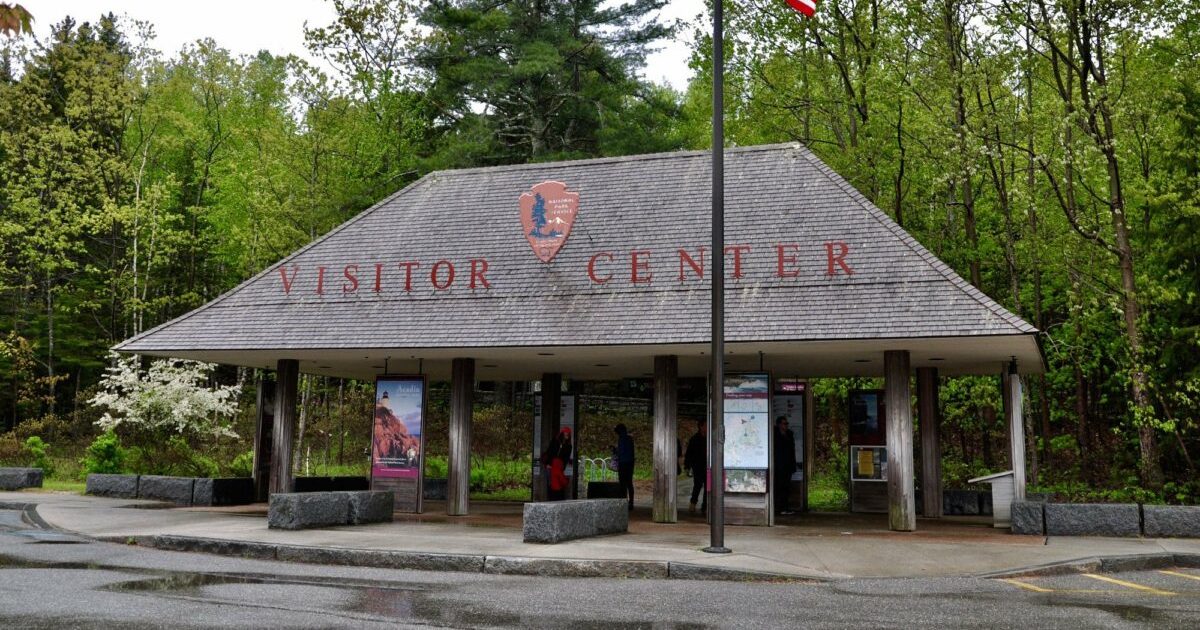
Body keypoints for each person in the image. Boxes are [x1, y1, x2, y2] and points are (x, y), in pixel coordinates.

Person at [774, 415, 797, 515]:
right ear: (779, 424)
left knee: (786, 487)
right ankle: (778, 508)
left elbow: (792, 451)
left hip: (787, 465)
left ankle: (785, 507)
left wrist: (793, 465)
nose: (786, 425)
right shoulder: (774, 434)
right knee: (778, 487)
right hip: (778, 466)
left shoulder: (789, 434)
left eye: (787, 423)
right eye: (784, 423)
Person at [683, 419, 707, 513]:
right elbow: (689, 453)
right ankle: (693, 503)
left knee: (708, 487)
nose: (707, 427)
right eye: (705, 425)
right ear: (701, 427)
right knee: (697, 485)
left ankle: (705, 506)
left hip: (708, 467)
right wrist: (687, 466)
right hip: (697, 466)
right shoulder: (694, 439)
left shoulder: (710, 438)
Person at [546, 427, 573, 501]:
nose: (567, 435)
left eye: (568, 434)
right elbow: (549, 452)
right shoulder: (555, 441)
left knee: (557, 483)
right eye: (565, 433)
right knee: (551, 483)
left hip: (559, 466)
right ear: (562, 434)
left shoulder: (568, 446)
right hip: (552, 465)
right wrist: (548, 463)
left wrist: (562, 467)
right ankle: (551, 499)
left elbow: (566, 458)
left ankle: (556, 499)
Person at [613, 423, 635, 510]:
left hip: (623, 463)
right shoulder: (630, 439)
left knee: (622, 484)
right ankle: (631, 502)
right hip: (630, 463)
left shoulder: (621, 439)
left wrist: (615, 450)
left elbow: (620, 452)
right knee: (629, 483)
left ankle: (623, 503)